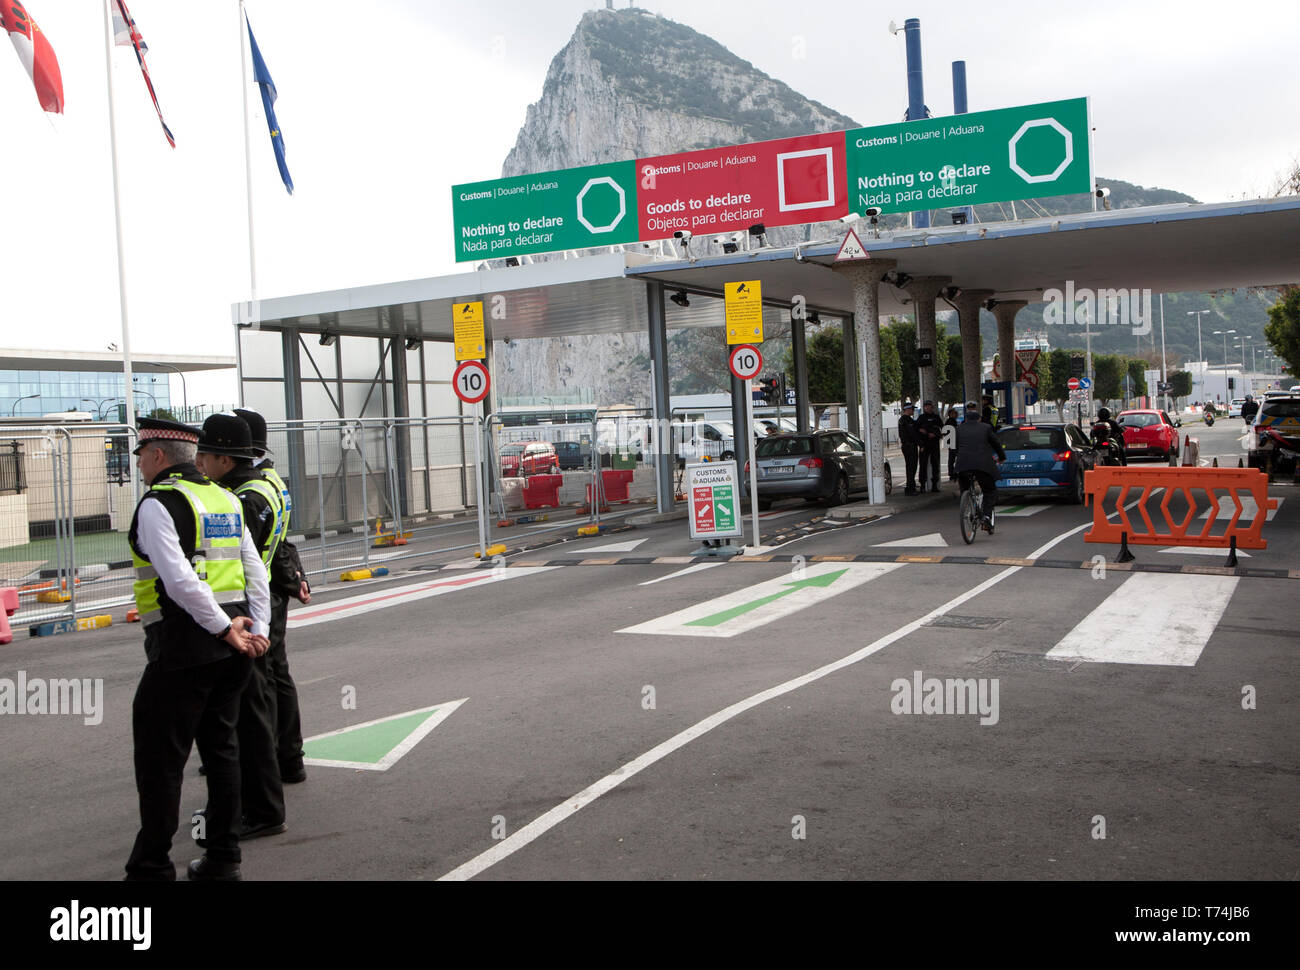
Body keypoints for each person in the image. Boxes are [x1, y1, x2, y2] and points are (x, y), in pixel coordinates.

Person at [124, 418, 270, 882]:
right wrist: (258, 629)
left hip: (186, 648)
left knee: (160, 762)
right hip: (234, 649)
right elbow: (255, 571)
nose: (141, 465)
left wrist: (224, 628)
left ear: (158, 456)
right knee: (222, 751)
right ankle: (224, 860)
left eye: (142, 456)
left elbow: (180, 581)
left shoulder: (158, 504)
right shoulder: (224, 498)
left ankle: (151, 867)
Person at [194, 414, 289, 843]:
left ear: (224, 459)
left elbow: (245, 562)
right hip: (254, 612)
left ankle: (256, 809)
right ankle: (262, 800)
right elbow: (274, 551)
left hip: (237, 618)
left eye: (205, 455)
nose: (199, 462)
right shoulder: (265, 485)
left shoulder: (236, 498)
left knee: (243, 722)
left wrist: (240, 624)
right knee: (255, 710)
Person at [234, 407, 310, 784]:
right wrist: (295, 577)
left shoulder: (250, 491)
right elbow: (281, 543)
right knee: (277, 675)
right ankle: (288, 756)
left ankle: (272, 761)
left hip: (258, 595)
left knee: (263, 682)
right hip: (272, 590)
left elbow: (255, 547)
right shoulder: (273, 481)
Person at [954, 401, 1006, 530]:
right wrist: (1002, 457)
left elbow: (954, 447)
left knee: (965, 489)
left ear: (965, 419)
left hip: (962, 465)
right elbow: (996, 444)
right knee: (990, 491)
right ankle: (986, 517)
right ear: (979, 419)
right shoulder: (985, 428)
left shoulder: (959, 429)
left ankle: (967, 505)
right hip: (982, 465)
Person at [916, 400, 944, 492]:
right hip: (924, 444)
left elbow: (943, 430)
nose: (927, 408)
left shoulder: (936, 418)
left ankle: (934, 485)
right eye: (926, 406)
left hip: (934, 444)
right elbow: (916, 431)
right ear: (924, 407)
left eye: (929, 406)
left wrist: (936, 435)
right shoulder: (921, 418)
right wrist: (921, 443)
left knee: (935, 465)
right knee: (923, 465)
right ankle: (923, 485)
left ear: (932, 407)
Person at [898, 401, 920, 495]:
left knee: (911, 467)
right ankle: (910, 488)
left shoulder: (908, 420)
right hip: (909, 445)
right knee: (911, 467)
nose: (913, 411)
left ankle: (911, 486)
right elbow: (912, 434)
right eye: (912, 409)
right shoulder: (905, 420)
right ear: (908, 409)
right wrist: (920, 443)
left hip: (909, 445)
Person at [943, 407, 960, 481]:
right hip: (953, 442)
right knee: (953, 458)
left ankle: (952, 473)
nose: (956, 415)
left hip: (951, 442)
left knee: (952, 459)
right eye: (954, 413)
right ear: (950, 414)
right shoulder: (951, 421)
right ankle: (953, 473)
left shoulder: (950, 421)